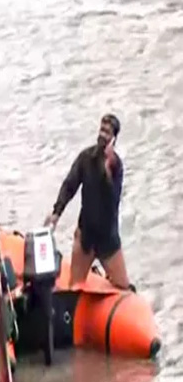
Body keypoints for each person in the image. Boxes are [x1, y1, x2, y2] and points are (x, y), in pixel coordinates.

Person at [45, 113, 131, 289]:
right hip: (86, 236)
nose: (102, 135)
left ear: (114, 139)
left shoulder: (117, 167)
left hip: (108, 240)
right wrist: (56, 212)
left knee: (123, 287)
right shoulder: (86, 158)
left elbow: (113, 199)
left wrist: (107, 171)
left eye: (107, 132)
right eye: (101, 130)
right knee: (74, 287)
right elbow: (70, 185)